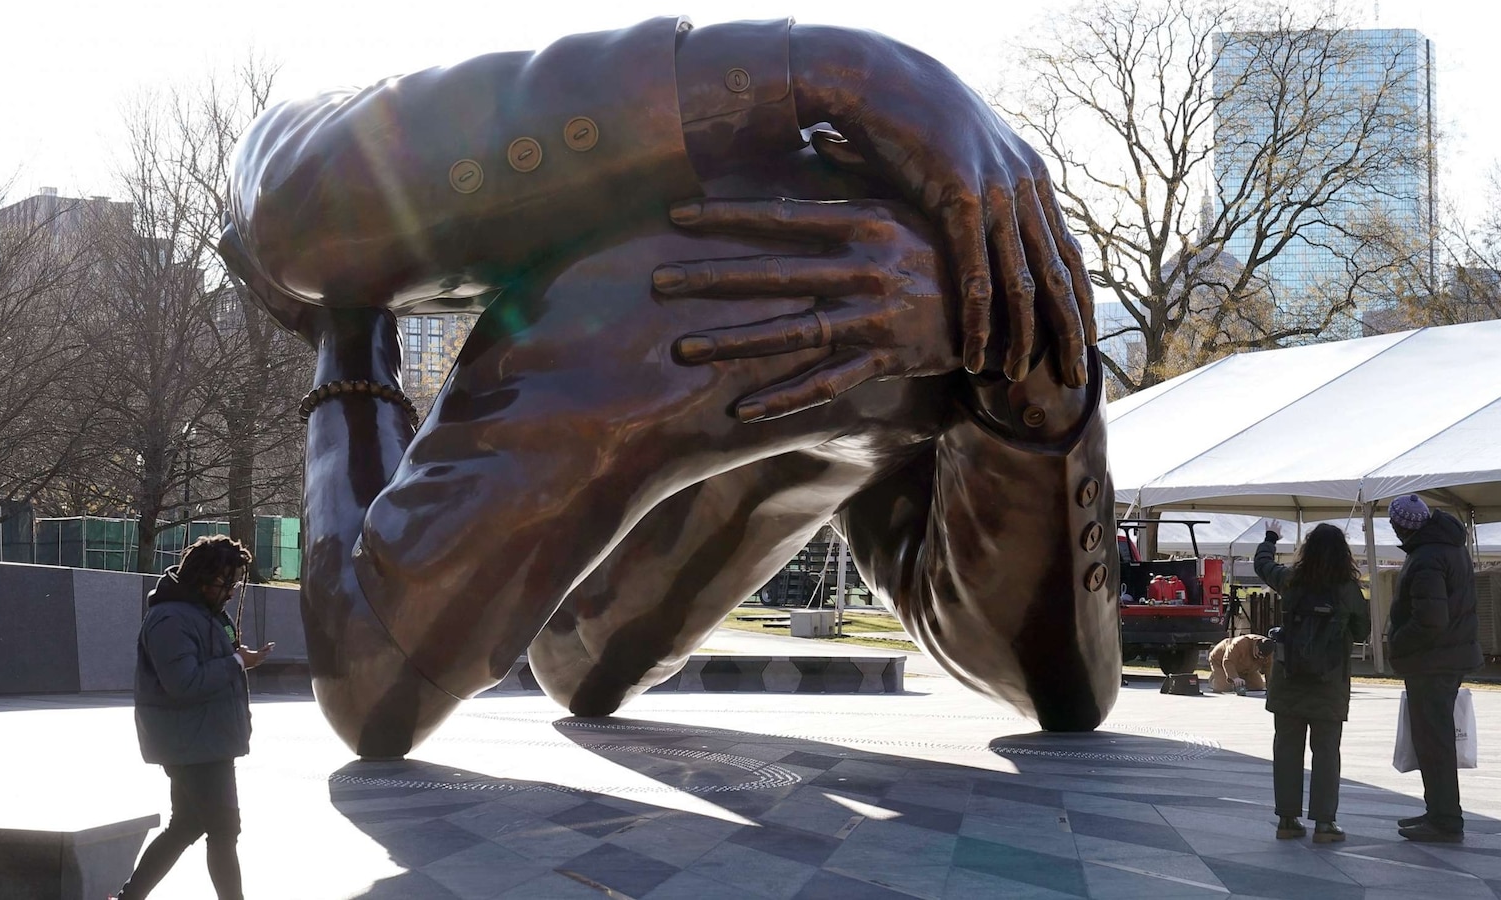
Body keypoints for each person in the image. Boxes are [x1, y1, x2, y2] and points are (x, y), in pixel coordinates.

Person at [221, 16, 1119, 760]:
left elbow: (1057, 684)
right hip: (670, 311)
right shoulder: (334, 198)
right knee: (561, 658)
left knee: (569, 661)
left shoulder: (921, 285)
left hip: (739, 344)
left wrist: (1018, 346)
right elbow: (286, 210)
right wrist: (827, 71)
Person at [113, 536, 275, 900]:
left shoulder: (203, 612)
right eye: (225, 582)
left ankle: (129, 897)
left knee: (186, 826)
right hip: (193, 745)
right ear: (202, 578)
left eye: (234, 582)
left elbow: (204, 664)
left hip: (202, 741)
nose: (231, 591)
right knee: (223, 830)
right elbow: (183, 683)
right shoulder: (170, 618)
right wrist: (236, 662)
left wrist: (238, 657)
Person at [1254, 521, 1370, 843]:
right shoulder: (1348, 590)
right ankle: (1324, 824)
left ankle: (1287, 821)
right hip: (1329, 682)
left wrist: (1270, 538)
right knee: (1326, 753)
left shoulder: (1292, 581)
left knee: (1287, 749)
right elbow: (1362, 632)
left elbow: (1262, 565)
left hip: (1289, 678)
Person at [1386, 494, 1483, 843]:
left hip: (1433, 661)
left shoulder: (1427, 557)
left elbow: (1430, 619)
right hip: (1447, 657)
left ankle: (1444, 818)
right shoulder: (1447, 546)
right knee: (1434, 739)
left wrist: (1396, 642)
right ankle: (1440, 812)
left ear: (1403, 525)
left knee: (1434, 741)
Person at [1208, 633, 1273, 695]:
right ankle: (1214, 678)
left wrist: (1270, 687)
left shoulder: (1268, 652)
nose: (1261, 657)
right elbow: (1228, 661)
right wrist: (1235, 677)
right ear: (1257, 646)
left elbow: (1268, 669)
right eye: (1259, 654)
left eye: (1263, 657)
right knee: (1224, 688)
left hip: (1245, 667)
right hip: (1220, 661)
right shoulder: (1239, 643)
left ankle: (1237, 677)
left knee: (1257, 686)